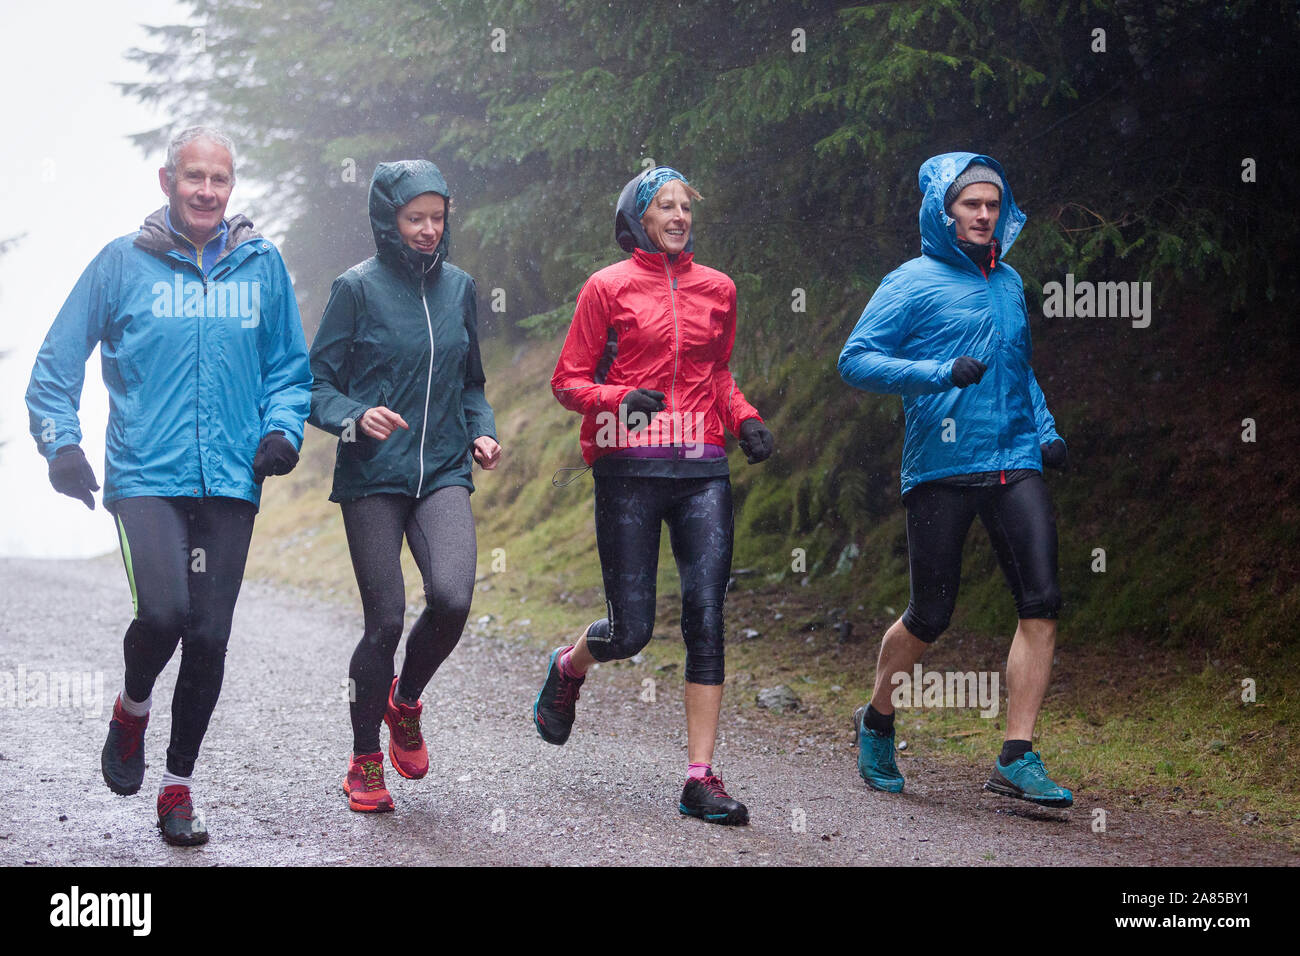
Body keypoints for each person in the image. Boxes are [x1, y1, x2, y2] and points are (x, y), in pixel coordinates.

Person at [25, 126, 312, 845]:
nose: (207, 191)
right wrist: (62, 446)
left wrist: (282, 430)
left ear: (231, 186)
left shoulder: (261, 265)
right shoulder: (121, 264)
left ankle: (177, 787)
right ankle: (132, 708)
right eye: (194, 178)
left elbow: (288, 368)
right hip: (144, 476)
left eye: (220, 179)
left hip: (229, 481)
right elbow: (56, 364)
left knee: (209, 636)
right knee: (162, 614)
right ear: (166, 181)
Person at [535, 166, 774, 825]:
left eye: (684, 207)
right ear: (638, 219)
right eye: (664, 206)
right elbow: (568, 381)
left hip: (702, 467)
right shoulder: (605, 289)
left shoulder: (719, 289)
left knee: (705, 614)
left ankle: (700, 779)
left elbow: (717, 373)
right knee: (632, 629)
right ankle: (569, 665)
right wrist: (618, 399)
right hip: (627, 466)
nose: (678, 216)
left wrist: (744, 418)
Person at [838, 152, 1073, 808]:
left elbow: (1019, 368)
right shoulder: (910, 282)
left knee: (1042, 601)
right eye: (972, 204)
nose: (983, 214)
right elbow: (855, 360)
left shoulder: (1009, 282)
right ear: (946, 212)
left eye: (993, 205)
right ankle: (878, 719)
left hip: (1015, 460)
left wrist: (1046, 431)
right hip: (941, 466)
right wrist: (937, 372)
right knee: (931, 613)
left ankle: (1016, 756)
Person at [308, 160, 500, 813]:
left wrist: (483, 430)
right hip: (372, 474)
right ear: (389, 220)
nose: (427, 229)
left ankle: (405, 701)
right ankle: (364, 760)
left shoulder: (461, 288)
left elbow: (471, 381)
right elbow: (316, 386)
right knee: (386, 617)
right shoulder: (355, 289)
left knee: (451, 598)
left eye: (436, 218)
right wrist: (354, 416)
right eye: (414, 218)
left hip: (443, 467)